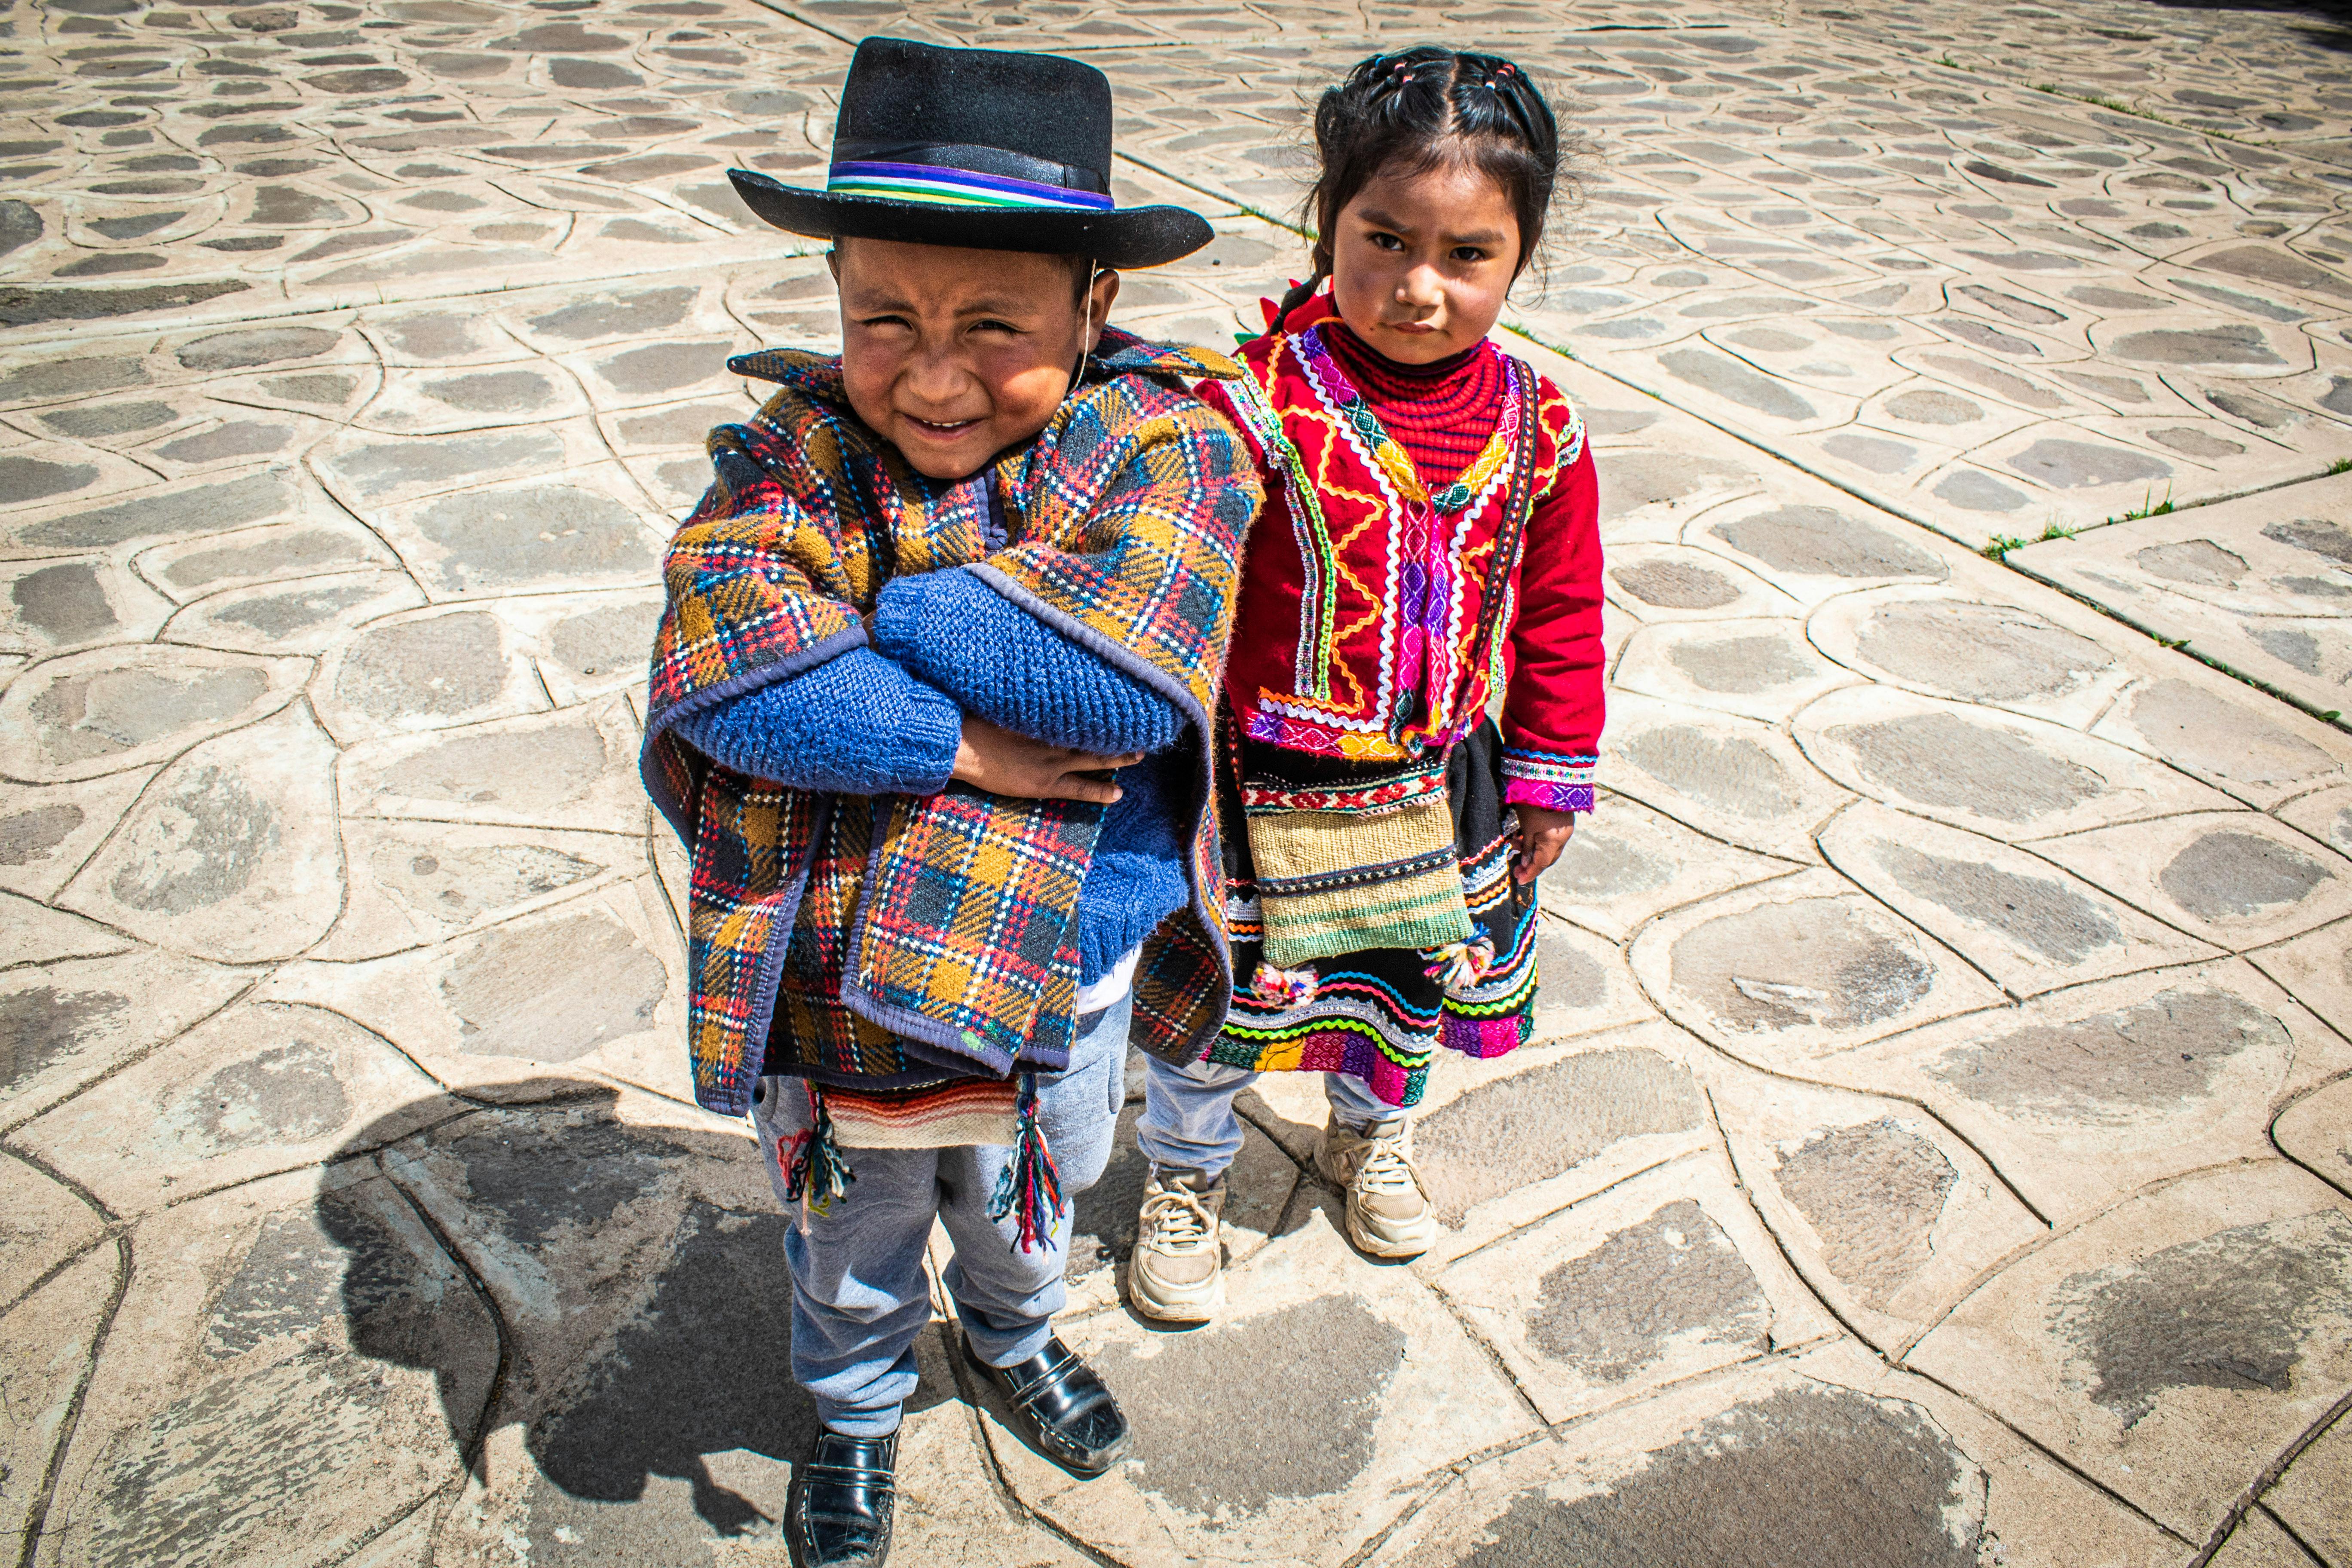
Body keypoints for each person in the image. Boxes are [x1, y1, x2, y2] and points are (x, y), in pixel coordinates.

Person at [641, 37, 1259, 1568]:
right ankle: (854, 1409)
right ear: (834, 295)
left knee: (1035, 1186)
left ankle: (1012, 1332)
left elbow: (1112, 689)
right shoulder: (789, 452)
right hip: (836, 978)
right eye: (882, 320)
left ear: (1095, 307)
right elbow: (729, 677)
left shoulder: (1169, 441)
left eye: (994, 325)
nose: (929, 374)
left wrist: (861, 609)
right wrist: (963, 742)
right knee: (853, 1231)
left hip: (1065, 957)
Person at [1124, 46, 1602, 1323]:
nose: (1418, 287)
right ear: (1327, 222)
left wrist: (1553, 772)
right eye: (1382, 240)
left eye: (1468, 256)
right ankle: (1186, 1173)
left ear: (1521, 258)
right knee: (1228, 1000)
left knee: (1406, 984)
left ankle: (1366, 1137)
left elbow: (1560, 610)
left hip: (1441, 778)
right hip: (1257, 781)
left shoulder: (1541, 426)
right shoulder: (1257, 402)